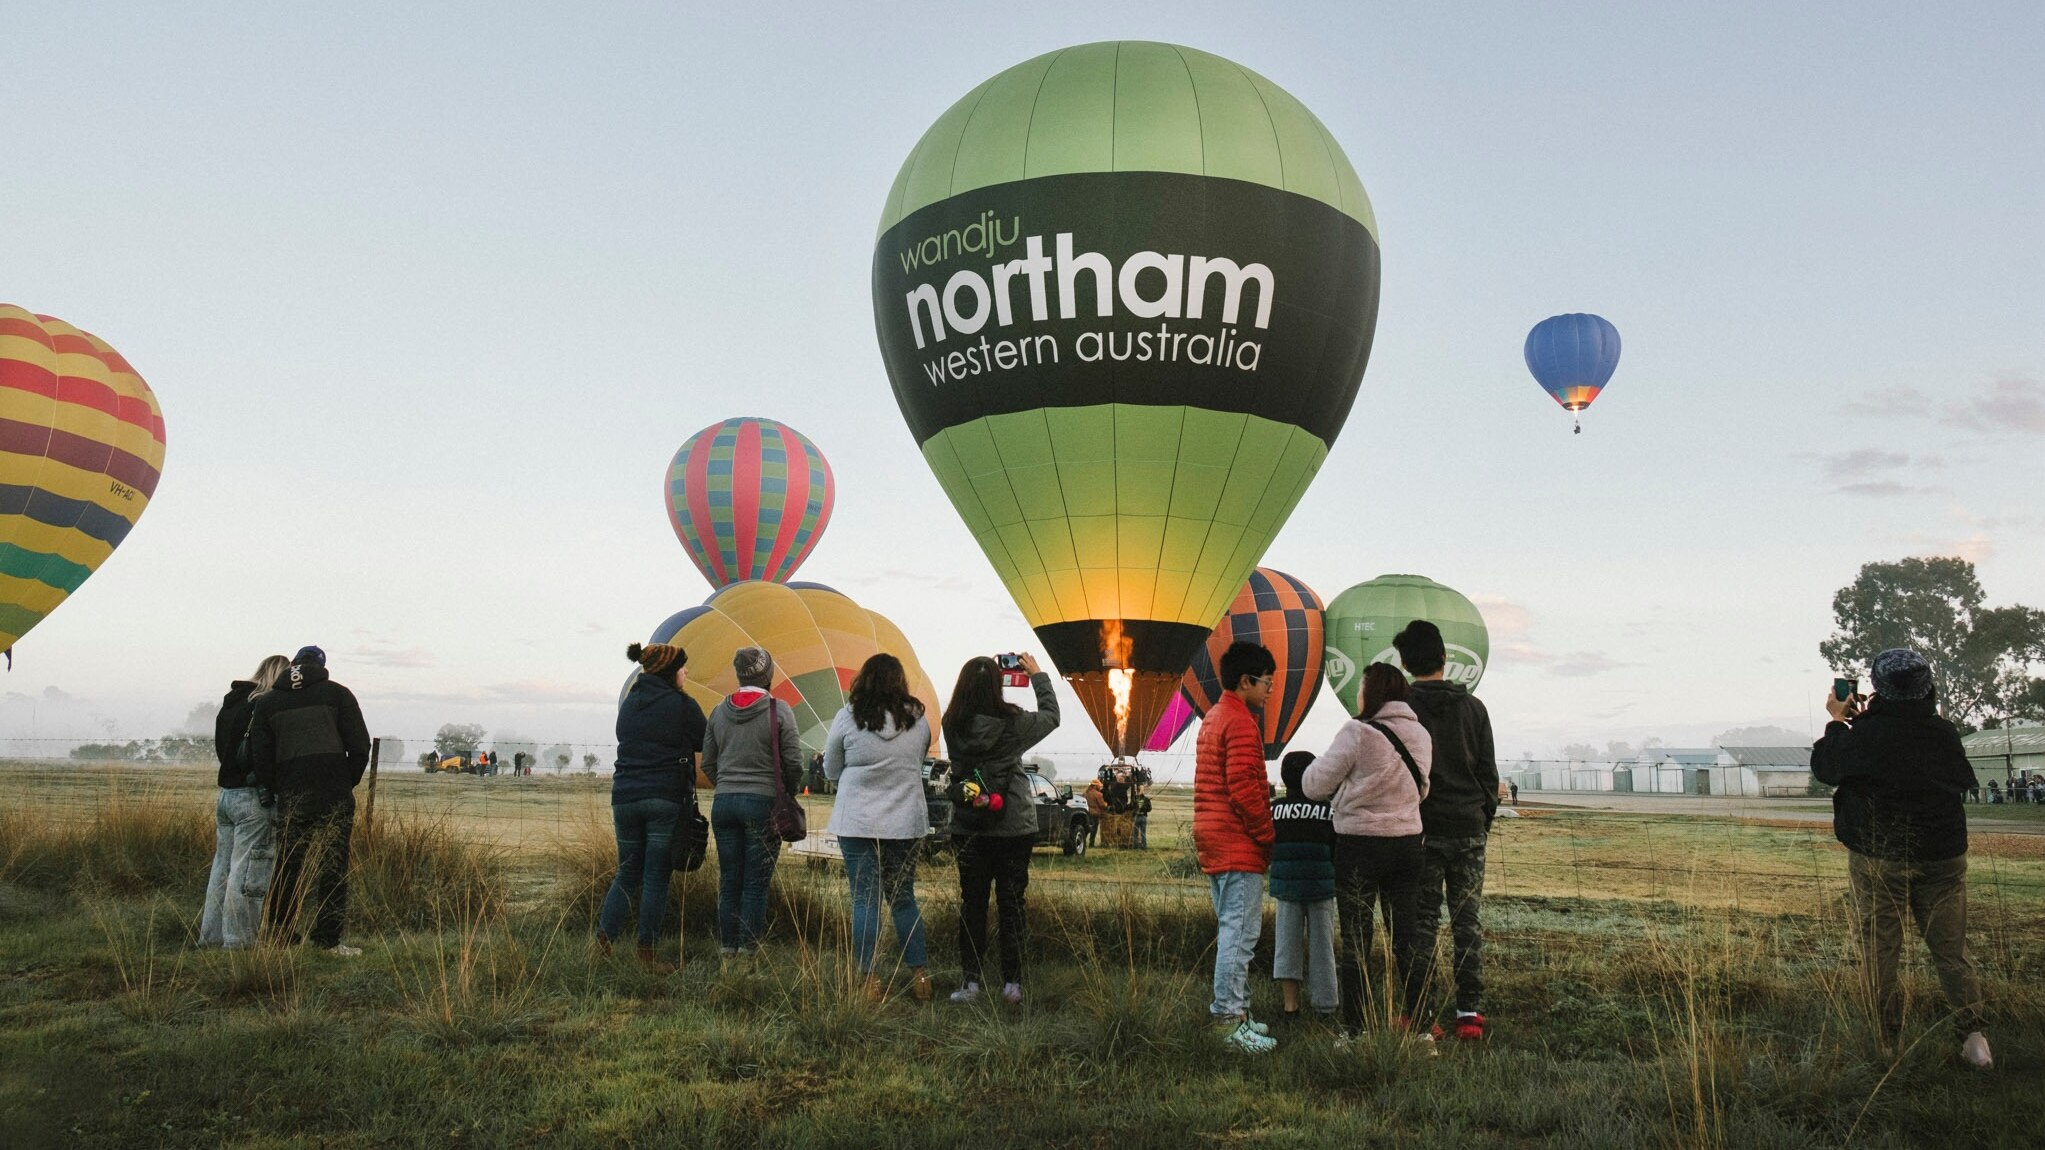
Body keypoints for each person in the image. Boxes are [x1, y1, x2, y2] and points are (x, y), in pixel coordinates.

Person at [1812, 648, 1991, 1068]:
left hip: (1881, 856)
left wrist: (1839, 720)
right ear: (1926, 687)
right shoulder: (1943, 733)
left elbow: (1826, 766)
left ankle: (1886, 1042)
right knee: (1951, 949)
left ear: (1877, 689)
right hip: (1943, 857)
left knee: (1880, 947)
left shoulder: (1865, 735)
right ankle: (1975, 1039)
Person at [1304, 662, 1433, 1040]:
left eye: (1361, 688)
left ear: (1370, 692)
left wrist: (1346, 789)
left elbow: (1314, 785)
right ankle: (1422, 1030)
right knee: (1407, 941)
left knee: (1358, 941)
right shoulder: (1421, 734)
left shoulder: (1357, 732)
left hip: (1360, 846)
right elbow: (1423, 789)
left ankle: (1356, 1031)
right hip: (1408, 844)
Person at [1397, 620, 1498, 1041]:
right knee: (1466, 922)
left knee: (1420, 924)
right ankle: (1469, 1013)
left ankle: (1421, 1015)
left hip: (1420, 831)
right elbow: (1487, 775)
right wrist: (1481, 821)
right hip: (1468, 828)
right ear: (1444, 657)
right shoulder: (1474, 709)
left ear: (1404, 663)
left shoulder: (1402, 709)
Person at [942, 652, 1059, 1004]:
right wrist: (1037, 675)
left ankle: (971, 984)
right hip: (1013, 826)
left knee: (972, 904)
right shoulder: (1014, 723)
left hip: (969, 825)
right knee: (1012, 905)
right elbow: (1052, 716)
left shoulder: (952, 724)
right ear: (999, 684)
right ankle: (1012, 986)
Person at [824, 653, 935, 1002]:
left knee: (865, 901)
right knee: (903, 899)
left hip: (857, 821)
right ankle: (920, 978)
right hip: (904, 821)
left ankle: (869, 982)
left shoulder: (848, 717)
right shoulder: (919, 722)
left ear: (864, 680)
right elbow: (916, 764)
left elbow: (830, 768)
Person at [249, 646, 371, 955]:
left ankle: (280, 935)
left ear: (292, 665)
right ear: (322, 666)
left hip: (292, 793)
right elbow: (360, 745)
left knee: (288, 864)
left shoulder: (268, 703)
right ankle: (327, 940)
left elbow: (260, 756)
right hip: (334, 793)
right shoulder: (338, 694)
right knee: (333, 864)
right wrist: (347, 781)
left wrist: (278, 786)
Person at [599, 642, 707, 971]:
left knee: (627, 873)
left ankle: (603, 945)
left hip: (625, 797)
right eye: (681, 667)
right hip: (664, 798)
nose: (685, 672)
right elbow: (704, 740)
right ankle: (648, 954)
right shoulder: (682, 705)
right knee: (656, 877)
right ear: (668, 671)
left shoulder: (630, 704)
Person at [1194, 641, 1279, 1053]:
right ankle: (1227, 1022)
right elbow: (1246, 789)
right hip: (1236, 841)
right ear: (1246, 681)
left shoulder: (1214, 716)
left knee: (1233, 928)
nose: (1270, 691)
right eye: (1266, 683)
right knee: (1240, 934)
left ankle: (1239, 1014)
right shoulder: (1242, 722)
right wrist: (1267, 834)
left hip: (1213, 836)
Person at [702, 646, 804, 956]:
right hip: (762, 803)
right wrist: (788, 791)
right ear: (769, 674)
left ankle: (727, 947)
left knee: (730, 878)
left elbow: (708, 762)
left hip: (724, 804)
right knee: (755, 883)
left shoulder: (719, 711)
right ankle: (748, 951)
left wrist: (728, 785)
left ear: (738, 674)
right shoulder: (779, 710)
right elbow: (794, 762)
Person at [199, 654, 290, 949]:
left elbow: (221, 748)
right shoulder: (263, 705)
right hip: (253, 797)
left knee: (221, 870)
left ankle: (210, 938)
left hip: (226, 795)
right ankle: (238, 944)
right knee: (248, 871)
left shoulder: (230, 704)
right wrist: (269, 785)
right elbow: (262, 753)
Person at [1269, 751, 1337, 1021]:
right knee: (1323, 948)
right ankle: (1326, 1007)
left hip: (1286, 888)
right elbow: (1337, 850)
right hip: (1321, 886)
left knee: (1286, 947)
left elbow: (1268, 844)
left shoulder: (1275, 809)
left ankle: (1290, 1007)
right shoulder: (1328, 810)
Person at [1083, 778, 1107, 847]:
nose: (1100, 787)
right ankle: (1091, 844)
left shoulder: (1085, 793)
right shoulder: (1098, 794)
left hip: (1086, 812)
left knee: (1087, 828)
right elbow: (1102, 805)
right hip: (1095, 813)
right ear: (1095, 786)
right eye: (1099, 786)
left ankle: (1083, 842)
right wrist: (1106, 804)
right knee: (1094, 829)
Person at [1134, 785, 1152, 850]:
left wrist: (1144, 808)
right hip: (1140, 817)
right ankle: (1141, 846)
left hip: (1140, 817)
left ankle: (1138, 846)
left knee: (1137, 833)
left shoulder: (1137, 798)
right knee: (1141, 833)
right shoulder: (1144, 799)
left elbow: (1149, 808)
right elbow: (1149, 809)